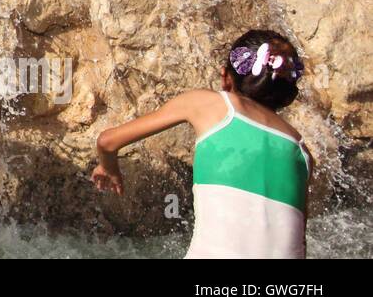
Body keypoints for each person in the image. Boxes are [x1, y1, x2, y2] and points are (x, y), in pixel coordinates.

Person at [93, 29, 311, 259]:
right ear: (288, 95)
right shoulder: (301, 150)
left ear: (226, 77)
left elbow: (107, 141)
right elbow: (298, 243)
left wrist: (109, 168)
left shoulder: (211, 104)